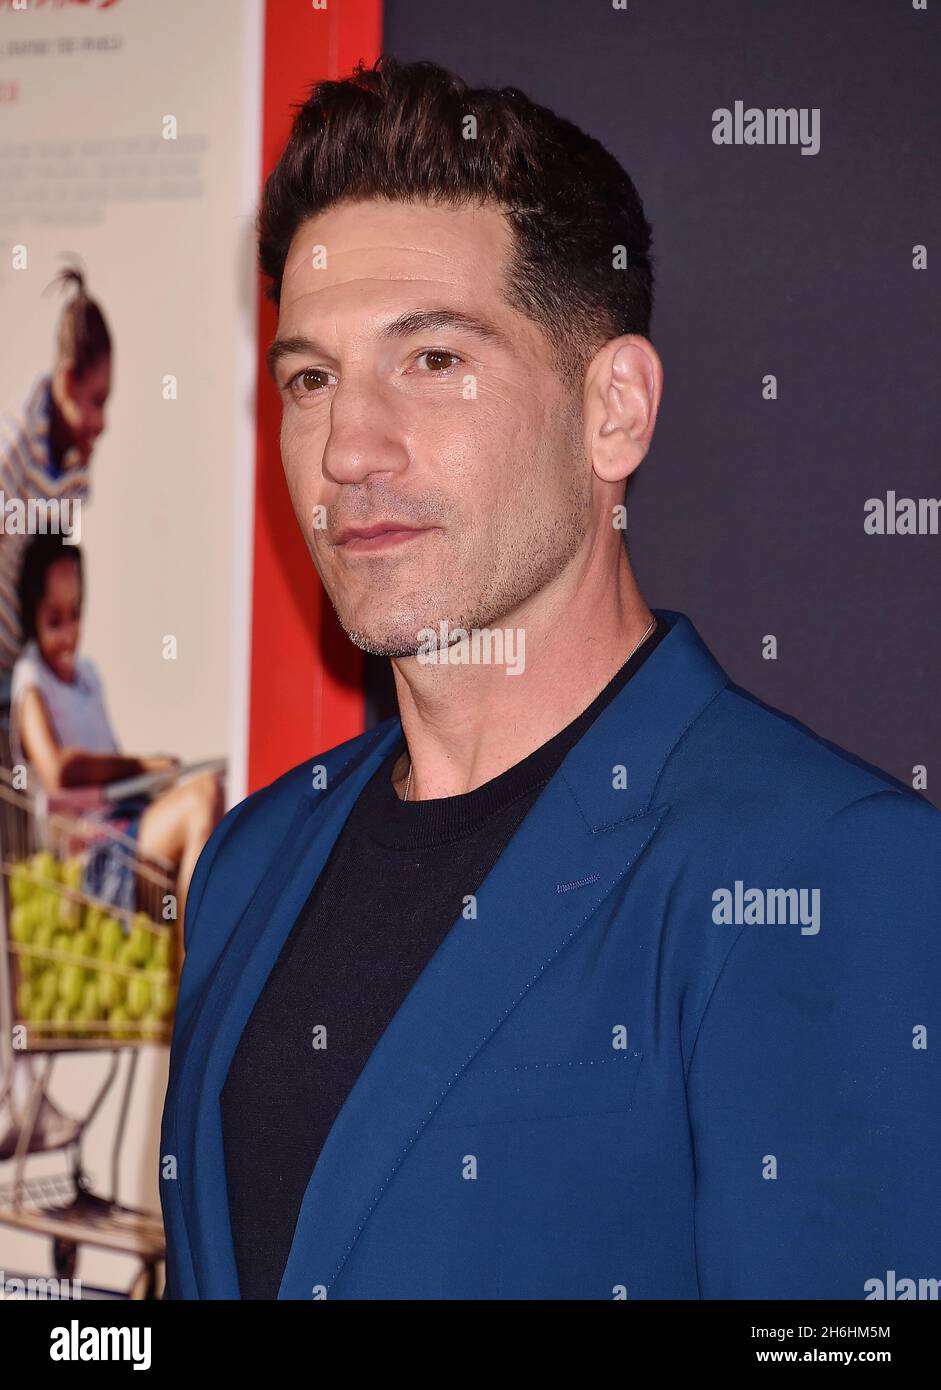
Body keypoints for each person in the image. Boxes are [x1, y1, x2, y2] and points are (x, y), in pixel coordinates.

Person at [160, 57, 940, 1300]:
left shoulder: (818, 870)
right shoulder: (249, 859)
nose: (348, 447)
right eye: (310, 378)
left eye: (431, 360)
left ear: (612, 412)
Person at [0, 534, 223, 1162]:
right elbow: (59, 768)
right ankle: (196, 981)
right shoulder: (29, 680)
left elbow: (114, 785)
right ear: (30, 614)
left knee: (214, 805)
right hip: (87, 869)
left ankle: (202, 963)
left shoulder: (89, 677)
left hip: (123, 842)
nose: (69, 634)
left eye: (76, 616)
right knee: (201, 799)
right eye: (54, 620)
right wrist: (140, 762)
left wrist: (147, 778)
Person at [0, 265, 109, 699]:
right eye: (97, 401)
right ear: (67, 381)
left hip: (28, 668)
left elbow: (55, 568)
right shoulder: (13, 453)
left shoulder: (75, 466)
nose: (103, 422)